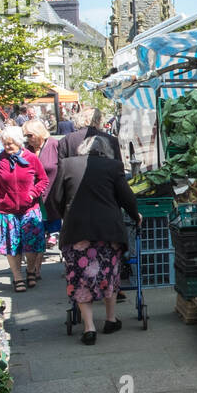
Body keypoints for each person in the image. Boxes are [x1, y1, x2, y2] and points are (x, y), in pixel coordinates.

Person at [50, 135, 141, 346]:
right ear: (105, 151)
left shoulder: (67, 164)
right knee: (109, 272)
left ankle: (89, 327)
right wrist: (136, 216)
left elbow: (55, 198)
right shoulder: (113, 166)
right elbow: (127, 197)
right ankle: (110, 319)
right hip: (107, 231)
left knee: (81, 276)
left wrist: (67, 214)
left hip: (77, 231)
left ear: (82, 149)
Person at [0, 126, 49, 293]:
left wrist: (33, 193)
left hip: (29, 209)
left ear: (19, 142)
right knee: (11, 246)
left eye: (11, 143)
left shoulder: (31, 158)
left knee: (32, 246)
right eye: (5, 143)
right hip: (7, 211)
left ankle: (30, 270)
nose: (8, 147)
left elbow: (43, 180)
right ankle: (17, 277)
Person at [24, 119, 60, 269]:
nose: (28, 139)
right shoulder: (27, 149)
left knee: (50, 227)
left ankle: (36, 268)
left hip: (52, 194)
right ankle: (35, 270)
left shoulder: (54, 145)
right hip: (32, 196)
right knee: (36, 233)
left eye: (30, 135)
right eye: (26, 136)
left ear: (38, 133)